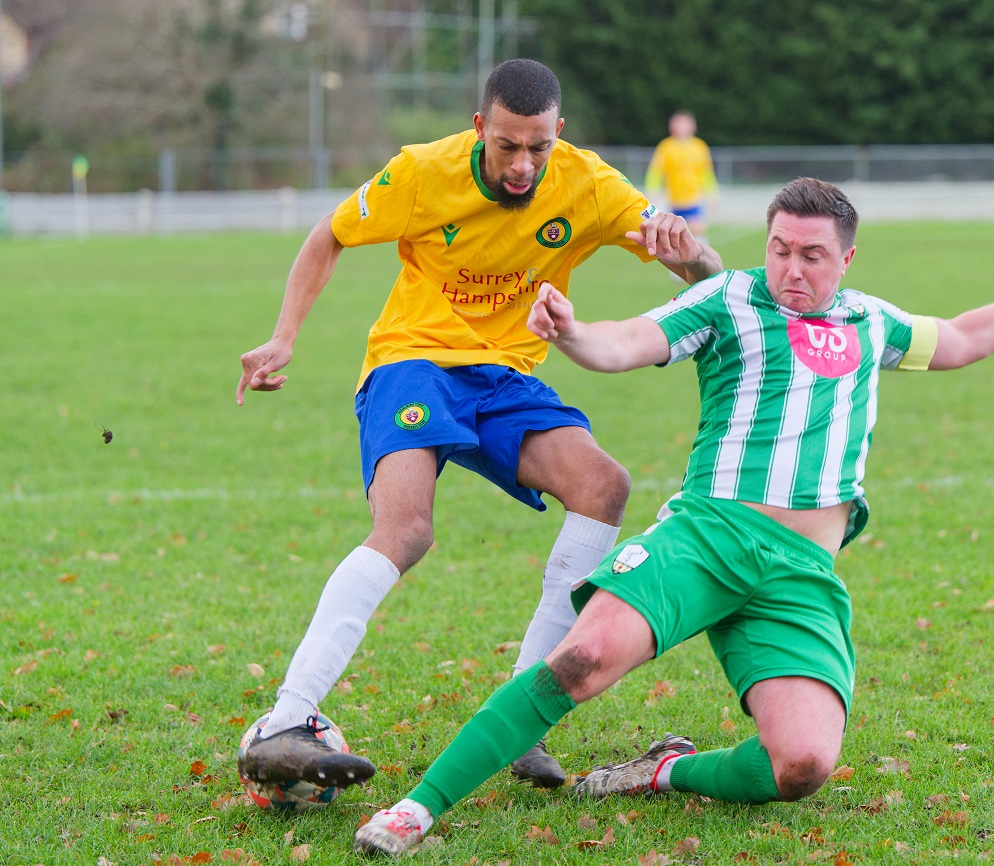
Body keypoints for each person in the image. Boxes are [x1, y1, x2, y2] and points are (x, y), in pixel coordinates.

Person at [351, 176, 994, 855]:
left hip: (799, 574)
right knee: (580, 661)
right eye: (780, 248)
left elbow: (961, 338)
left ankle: (660, 770)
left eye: (811, 255)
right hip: (709, 536)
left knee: (801, 767)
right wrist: (574, 333)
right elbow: (631, 341)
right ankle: (418, 808)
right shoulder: (727, 298)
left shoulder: (871, 323)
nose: (791, 268)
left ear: (847, 260)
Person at [234, 58, 722, 793]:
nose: (523, 164)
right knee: (406, 531)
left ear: (559, 133)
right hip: (414, 362)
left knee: (603, 485)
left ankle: (523, 718)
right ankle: (286, 720)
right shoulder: (422, 173)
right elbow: (327, 236)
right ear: (479, 130)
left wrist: (694, 256)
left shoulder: (589, 184)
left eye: (538, 147)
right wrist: (284, 336)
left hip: (506, 377)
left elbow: (701, 270)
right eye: (506, 146)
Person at [645, 110, 719, 243]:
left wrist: (712, 194)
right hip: (674, 200)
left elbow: (706, 173)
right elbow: (655, 172)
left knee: (698, 229)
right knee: (675, 234)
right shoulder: (666, 147)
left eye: (685, 124)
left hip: (693, 199)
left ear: (692, 126)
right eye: (678, 124)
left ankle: (702, 257)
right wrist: (652, 191)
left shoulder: (699, 147)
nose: (681, 127)